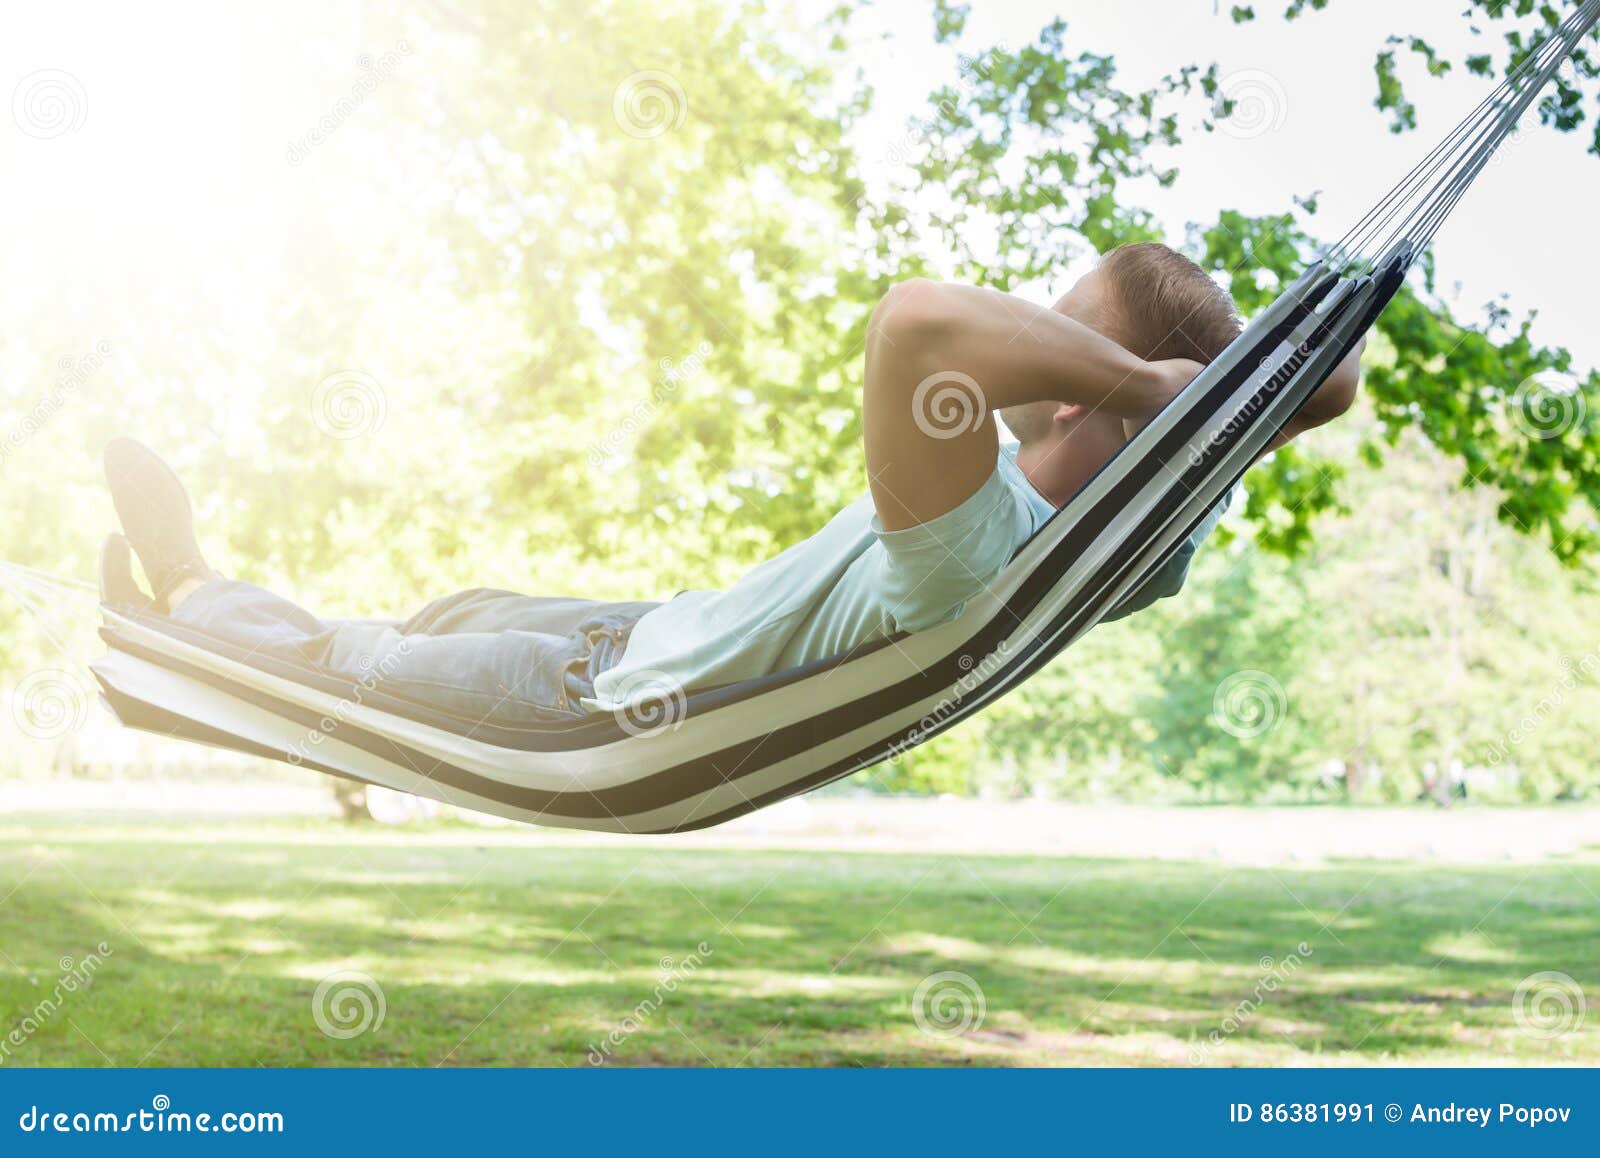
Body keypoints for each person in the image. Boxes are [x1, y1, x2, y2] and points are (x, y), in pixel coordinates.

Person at [100, 242, 1363, 727]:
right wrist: (1192, 385)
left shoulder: (985, 533)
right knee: (453, 607)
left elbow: (916, 321)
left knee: (339, 663)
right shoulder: (1140, 547)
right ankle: (169, 696)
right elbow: (1336, 381)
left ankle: (185, 600)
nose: (1029, 324)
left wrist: (1152, 387)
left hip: (601, 698)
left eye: (1059, 318)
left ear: (1094, 389)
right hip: (646, 627)